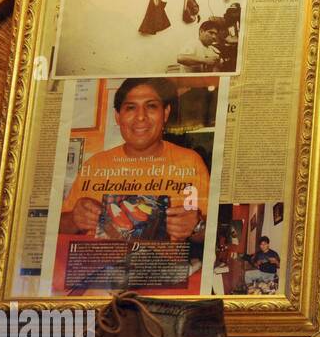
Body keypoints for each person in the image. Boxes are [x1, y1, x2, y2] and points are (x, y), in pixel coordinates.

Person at [61, 77, 209, 243]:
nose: (140, 117)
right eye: (131, 108)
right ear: (118, 117)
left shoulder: (191, 162)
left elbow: (212, 236)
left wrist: (197, 226)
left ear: (165, 113)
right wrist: (74, 219)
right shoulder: (95, 165)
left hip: (163, 267)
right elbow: (58, 227)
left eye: (151, 106)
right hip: (100, 264)